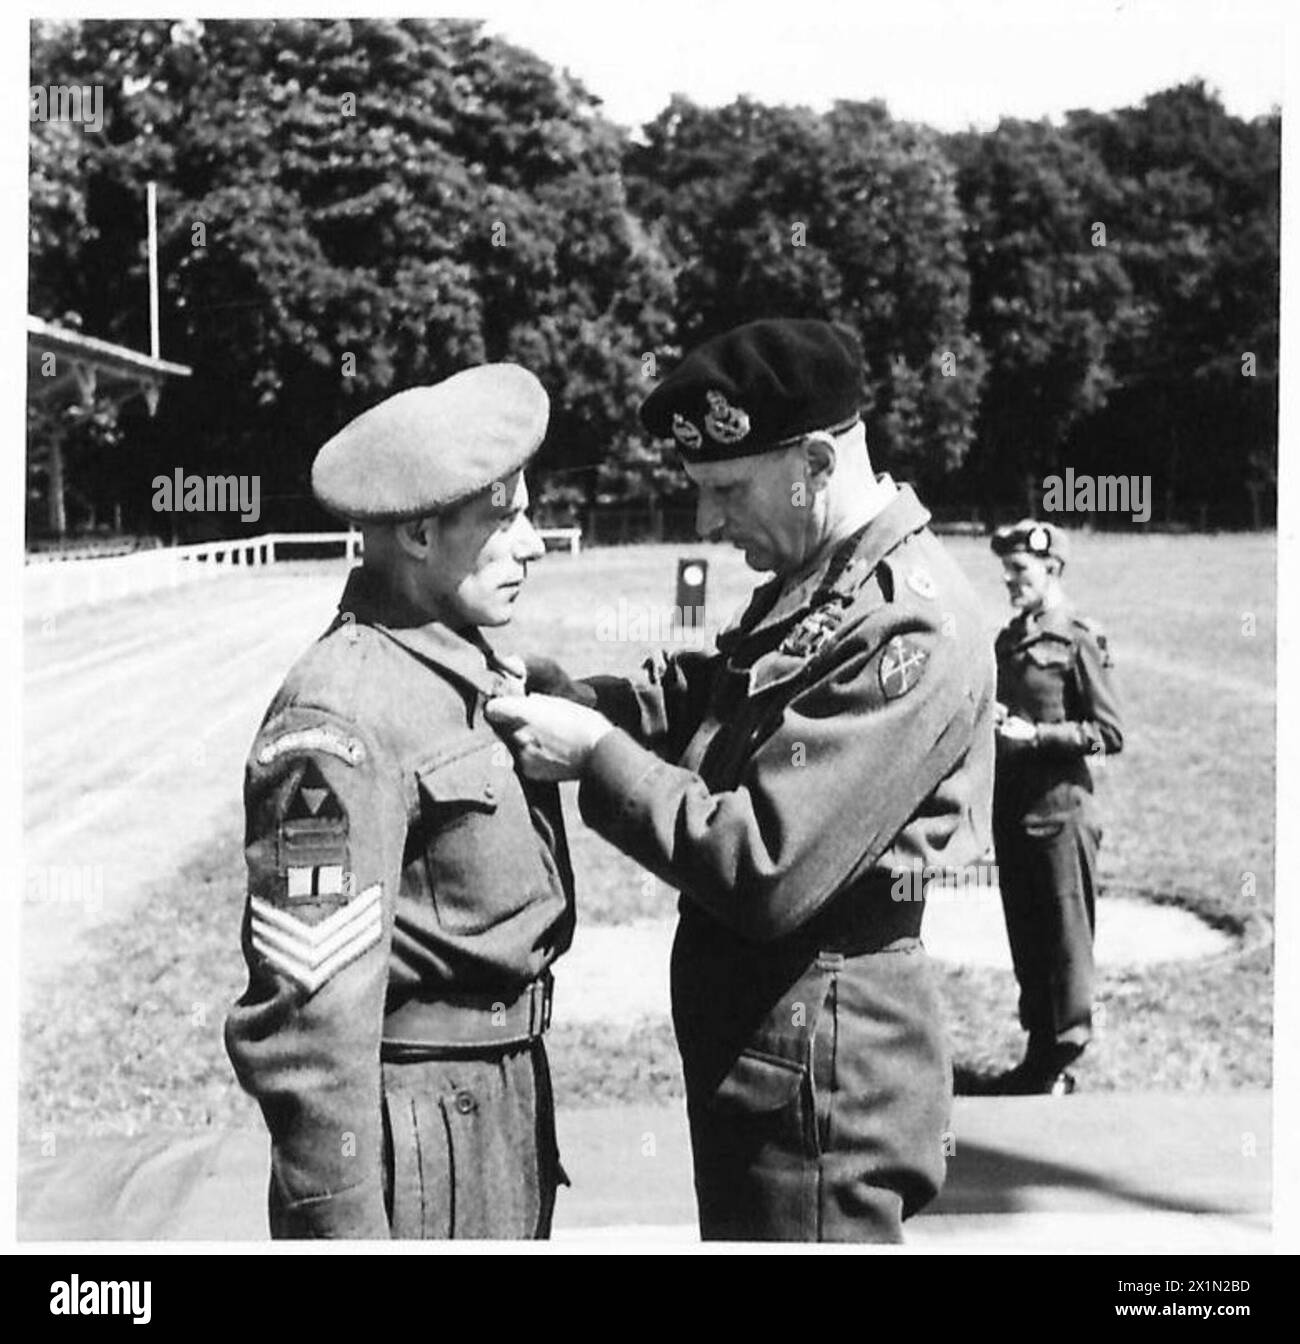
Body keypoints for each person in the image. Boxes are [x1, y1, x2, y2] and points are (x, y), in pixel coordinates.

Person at [487, 319, 995, 1242]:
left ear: (812, 460)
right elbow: (720, 691)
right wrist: (586, 696)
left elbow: (766, 865)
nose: (707, 524)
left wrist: (594, 754)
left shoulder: (905, 628)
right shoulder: (827, 578)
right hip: (779, 1052)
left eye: (725, 488)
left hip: (824, 1073)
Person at [225, 364, 575, 1239]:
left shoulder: (459, 663)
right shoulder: (337, 713)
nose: (531, 542)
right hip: (417, 1147)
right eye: (506, 517)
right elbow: (308, 1017)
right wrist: (342, 1226)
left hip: (492, 1107)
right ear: (419, 533)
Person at [988, 520, 1124, 1095]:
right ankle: (1038, 1054)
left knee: (1066, 943)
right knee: (1028, 938)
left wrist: (1038, 736)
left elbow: (1108, 734)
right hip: (1014, 812)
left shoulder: (1079, 639)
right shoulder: (1008, 640)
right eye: (1008, 572)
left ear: (1052, 570)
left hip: (1062, 814)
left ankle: (1061, 1060)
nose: (1010, 582)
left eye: (1020, 572)